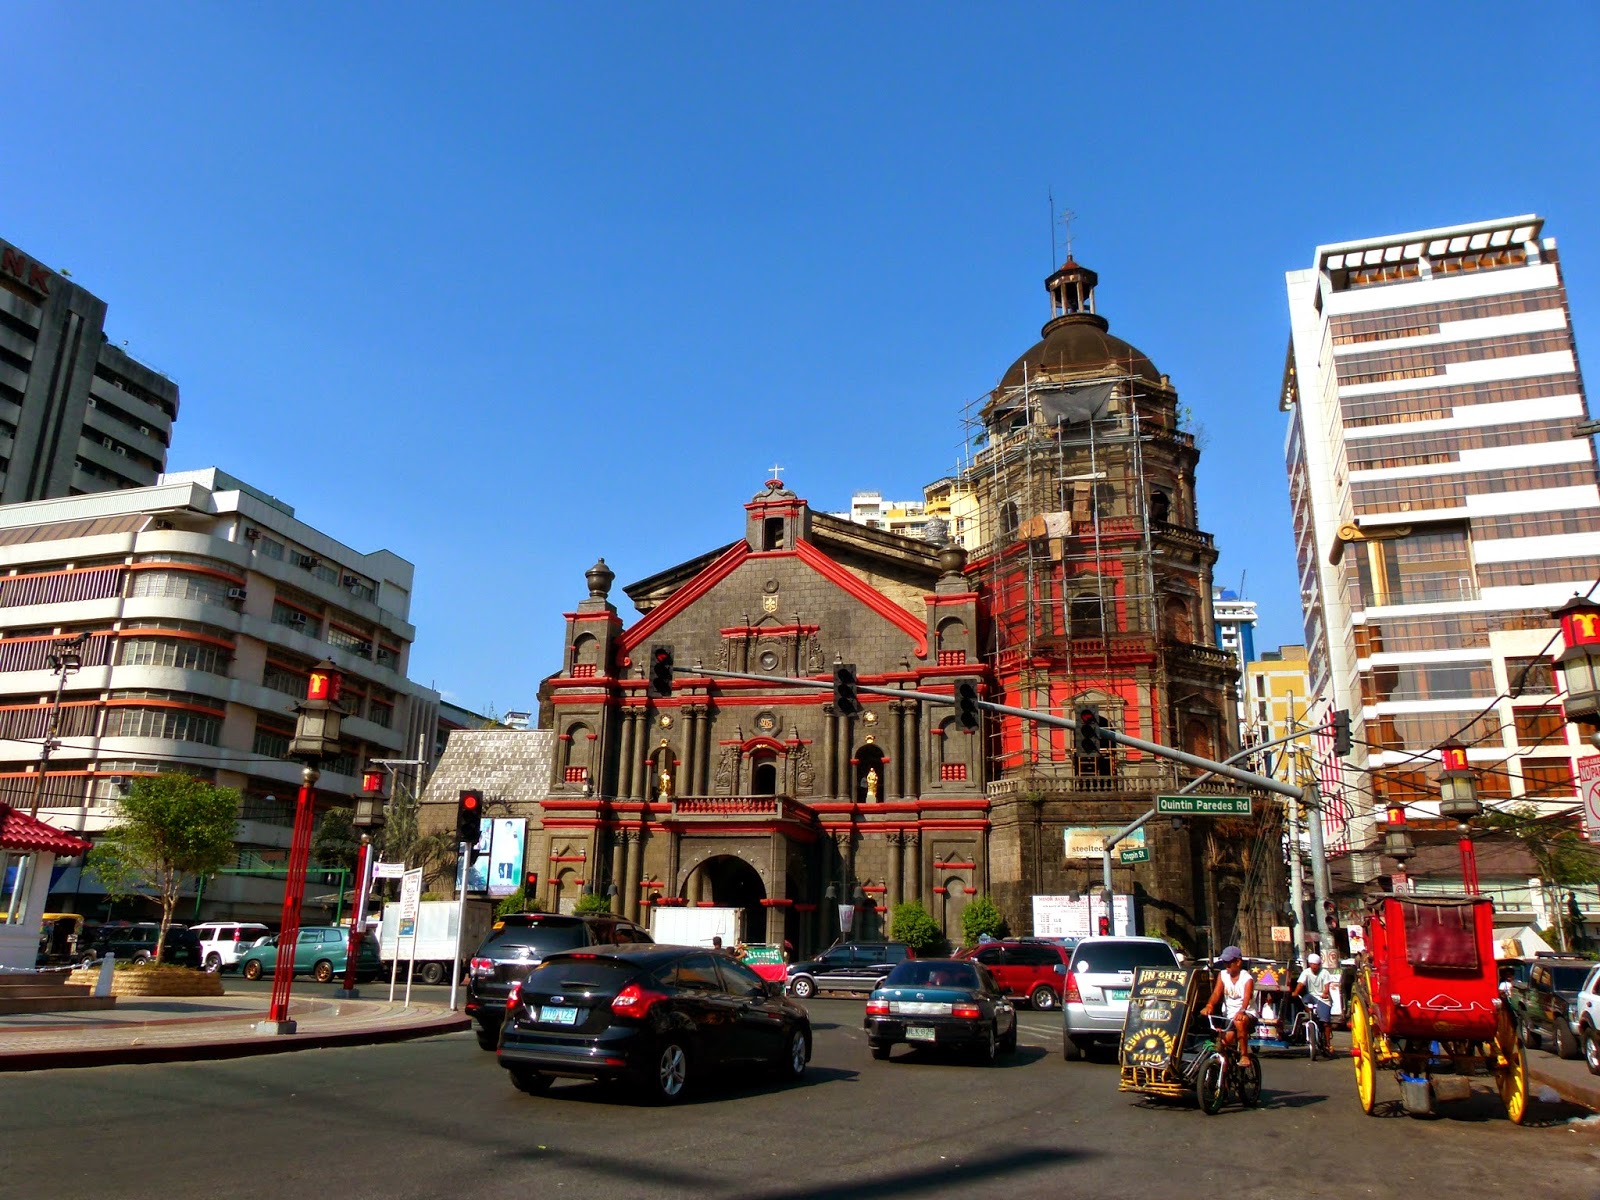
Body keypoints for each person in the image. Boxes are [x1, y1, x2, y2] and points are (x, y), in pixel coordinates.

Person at [1200, 945, 1256, 1068]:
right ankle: (1223, 1076)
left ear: (1238, 962)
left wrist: (1242, 1011)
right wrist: (1209, 1005)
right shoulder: (1223, 975)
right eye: (1225, 963)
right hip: (1229, 1018)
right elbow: (1216, 993)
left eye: (1229, 963)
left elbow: (1247, 998)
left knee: (1239, 1022)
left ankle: (1244, 1055)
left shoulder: (1247, 978)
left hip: (1247, 1014)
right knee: (1222, 1044)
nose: (1227, 966)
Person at [1291, 951, 1336, 1053]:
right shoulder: (1306, 972)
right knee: (1302, 999)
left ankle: (1328, 1044)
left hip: (1323, 998)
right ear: (1309, 964)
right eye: (1312, 964)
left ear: (1319, 965)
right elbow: (1301, 984)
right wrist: (1295, 992)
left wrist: (1325, 993)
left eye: (1316, 965)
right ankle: (1309, 1017)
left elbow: (1326, 987)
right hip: (1311, 996)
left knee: (1325, 1022)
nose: (1314, 967)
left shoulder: (1325, 973)